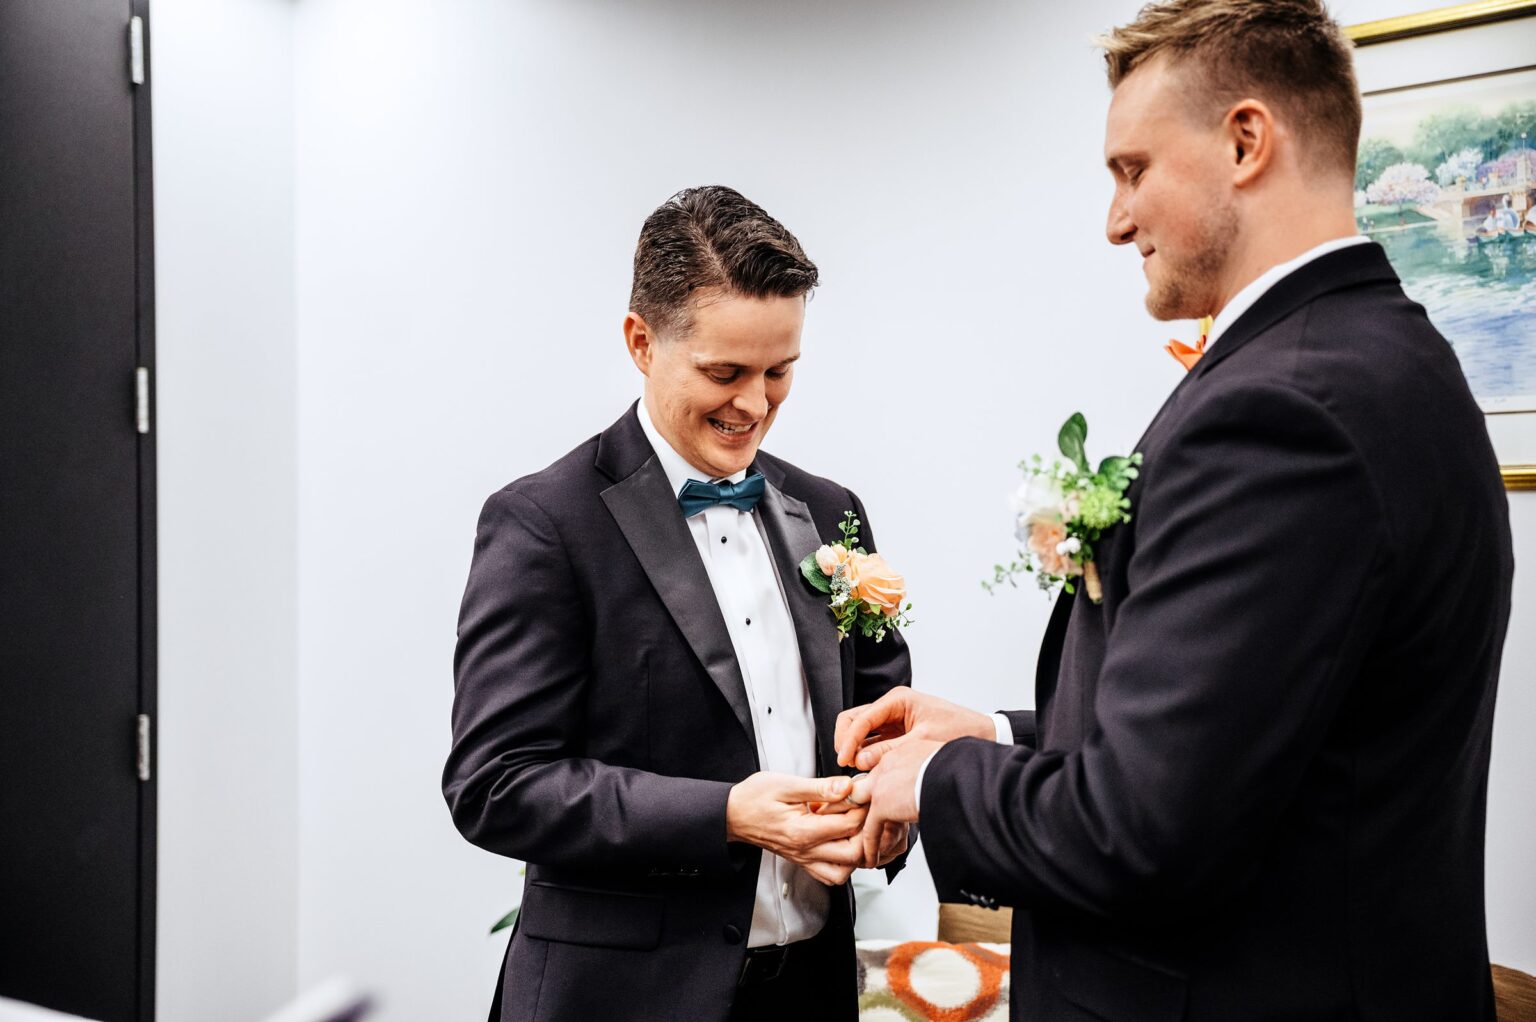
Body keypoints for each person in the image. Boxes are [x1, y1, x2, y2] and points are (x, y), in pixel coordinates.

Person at [837, 2, 1514, 1019]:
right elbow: (1245, 740)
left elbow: (1142, 827)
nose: (1115, 220)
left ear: (1246, 141)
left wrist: (940, 780)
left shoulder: (1283, 410)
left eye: (1131, 170)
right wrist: (991, 729)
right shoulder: (1392, 360)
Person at [444, 185, 913, 1022]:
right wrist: (729, 815)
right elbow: (497, 783)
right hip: (620, 1000)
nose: (756, 404)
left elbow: (881, 720)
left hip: (810, 993)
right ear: (640, 342)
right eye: (724, 372)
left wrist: (887, 805)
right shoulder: (544, 524)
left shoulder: (829, 508)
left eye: (780, 371)